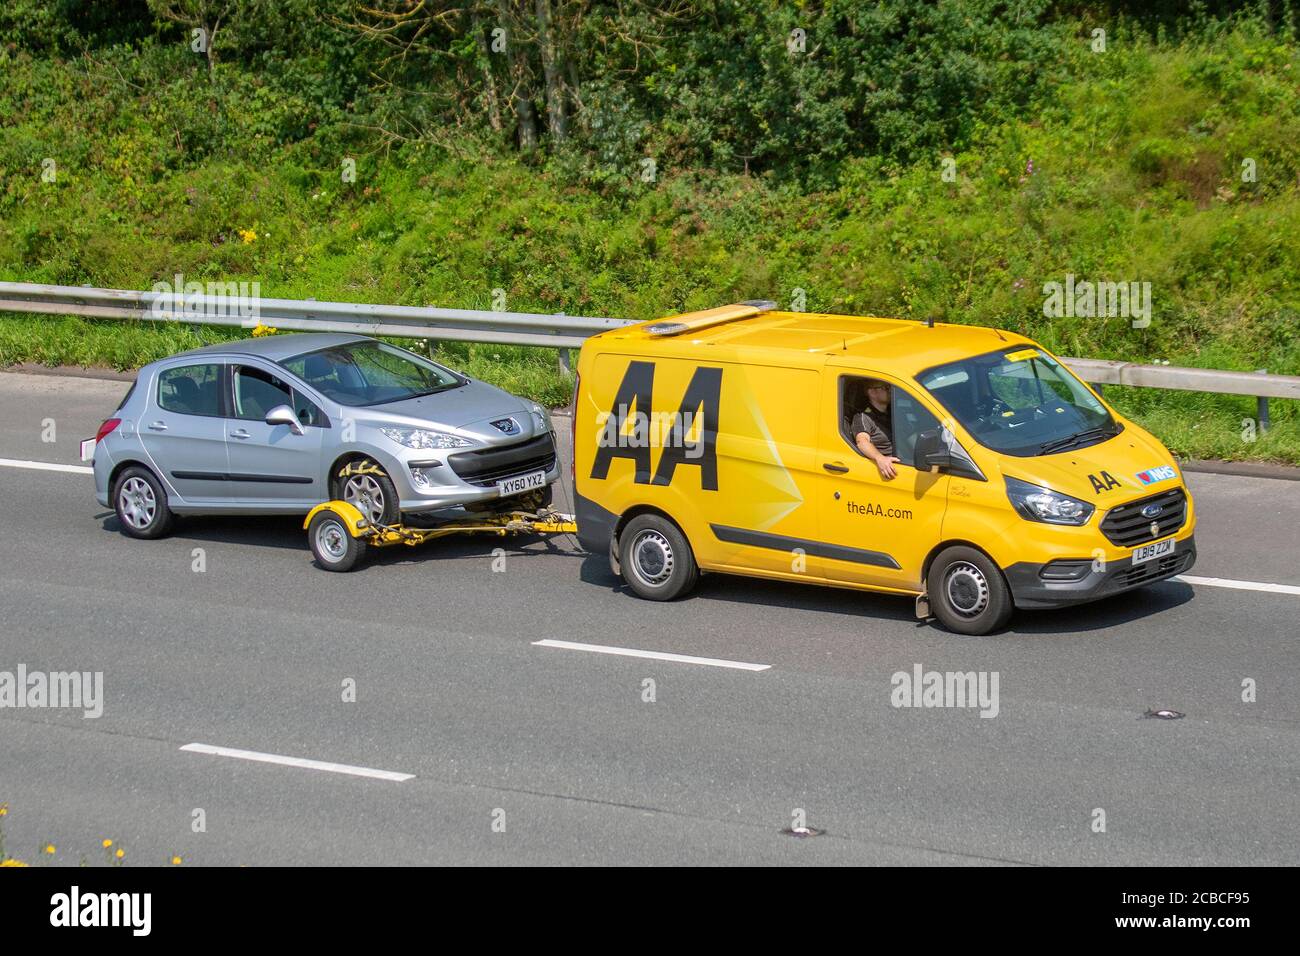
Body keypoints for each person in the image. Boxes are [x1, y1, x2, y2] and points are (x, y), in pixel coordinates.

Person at [852, 380, 900, 480]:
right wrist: (880, 458)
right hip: (890, 469)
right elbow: (862, 442)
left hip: (905, 462)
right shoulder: (863, 417)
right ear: (872, 392)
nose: (890, 390)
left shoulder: (893, 412)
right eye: (886, 388)